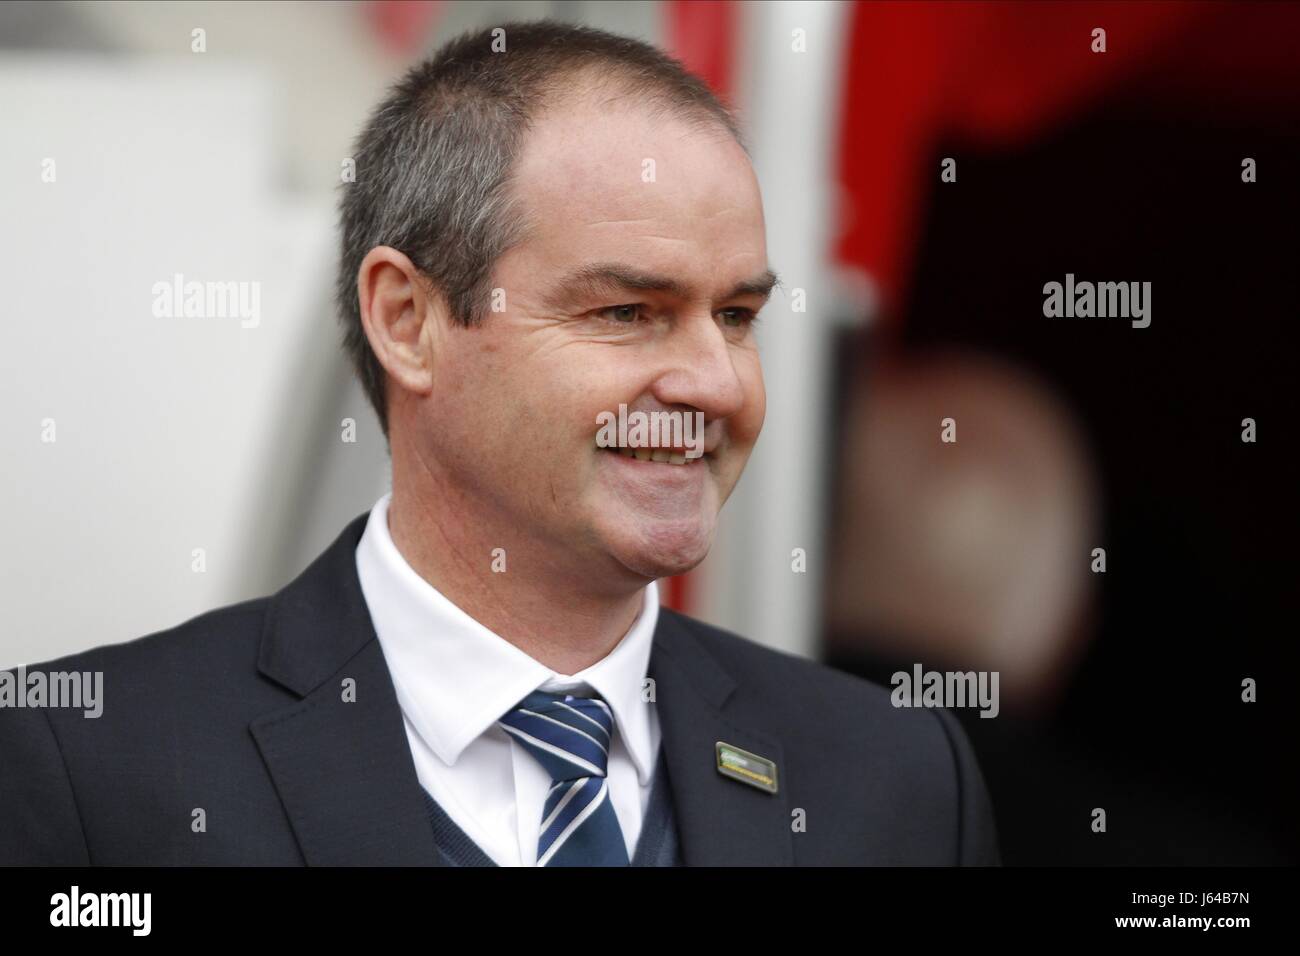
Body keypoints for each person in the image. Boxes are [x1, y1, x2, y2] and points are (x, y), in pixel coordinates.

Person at [0, 20, 998, 866]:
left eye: (736, 316)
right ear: (407, 320)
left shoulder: (899, 783)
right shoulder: (90, 768)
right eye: (624, 311)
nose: (716, 382)